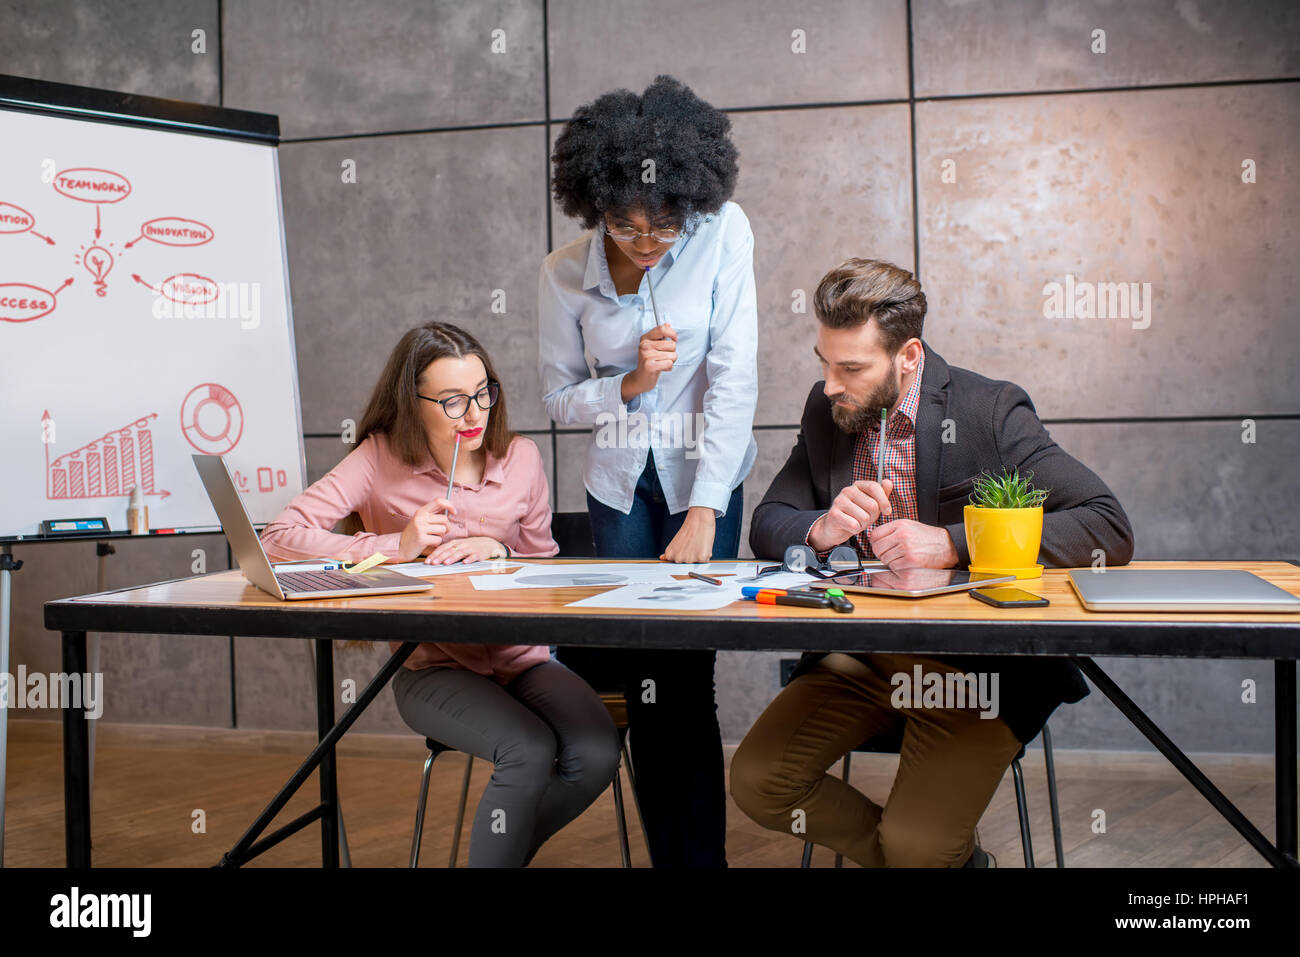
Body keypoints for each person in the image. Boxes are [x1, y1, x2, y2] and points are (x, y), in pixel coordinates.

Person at [730, 258, 1135, 867]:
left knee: (917, 846)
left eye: (852, 367)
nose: (831, 383)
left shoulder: (988, 411)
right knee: (759, 782)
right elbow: (768, 522)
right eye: (824, 362)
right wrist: (822, 527)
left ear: (909, 356)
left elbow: (1106, 524)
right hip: (858, 659)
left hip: (972, 671)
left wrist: (952, 544)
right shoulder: (829, 409)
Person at [260, 321, 619, 867]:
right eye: (453, 402)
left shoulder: (520, 457)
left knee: (596, 753)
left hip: (523, 661)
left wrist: (499, 550)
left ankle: (501, 855)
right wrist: (394, 543)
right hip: (432, 669)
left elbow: (543, 567)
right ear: (413, 403)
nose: (476, 415)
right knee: (527, 749)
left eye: (483, 394)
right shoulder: (379, 458)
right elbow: (278, 540)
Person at [538, 75, 757, 867]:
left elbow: (735, 377)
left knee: (685, 673)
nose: (646, 239)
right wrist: (625, 383)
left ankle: (699, 862)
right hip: (620, 490)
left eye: (663, 224)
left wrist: (707, 506)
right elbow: (558, 400)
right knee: (644, 677)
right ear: (593, 200)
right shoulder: (563, 272)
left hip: (706, 474)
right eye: (625, 223)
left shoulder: (723, 232)